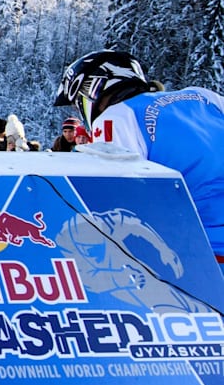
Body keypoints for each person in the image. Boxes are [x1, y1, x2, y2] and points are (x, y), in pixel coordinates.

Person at [56, 49, 224, 261]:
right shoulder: (203, 96)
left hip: (203, 252)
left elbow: (118, 198)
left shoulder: (116, 118)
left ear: (91, 90)